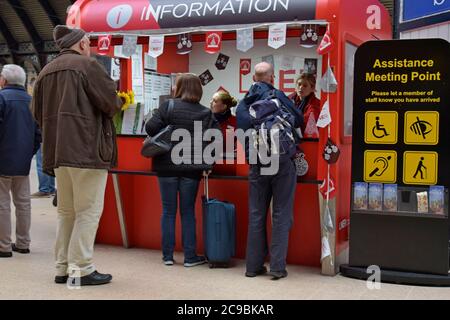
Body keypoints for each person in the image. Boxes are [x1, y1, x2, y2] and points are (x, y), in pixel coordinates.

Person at [32, 25, 122, 286]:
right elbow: (111, 103)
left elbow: (36, 113)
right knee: (88, 211)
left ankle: (62, 267)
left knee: (66, 211)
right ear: (82, 44)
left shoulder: (45, 72)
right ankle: (81, 268)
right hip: (87, 149)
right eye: (89, 43)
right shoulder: (87, 66)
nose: (91, 47)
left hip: (58, 150)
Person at [236, 62, 302, 280]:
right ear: (272, 78)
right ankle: (277, 267)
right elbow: (299, 119)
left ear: (254, 78)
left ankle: (253, 267)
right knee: (281, 213)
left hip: (257, 162)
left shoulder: (244, 104)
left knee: (256, 214)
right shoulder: (279, 96)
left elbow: (241, 132)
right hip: (282, 161)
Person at [145, 73, 219, 267]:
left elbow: (150, 128)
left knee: (168, 211)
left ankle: (168, 256)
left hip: (166, 167)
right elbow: (216, 139)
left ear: (178, 88)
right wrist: (208, 164)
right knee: (187, 212)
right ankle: (190, 257)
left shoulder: (167, 106)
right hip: (191, 169)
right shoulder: (206, 112)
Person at [0, 64, 41, 258]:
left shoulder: (1, 98)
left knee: (2, 204)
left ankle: (4, 246)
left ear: (4, 80)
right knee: (23, 203)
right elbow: (38, 134)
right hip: (23, 162)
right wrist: (28, 153)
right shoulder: (31, 101)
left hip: (2, 161)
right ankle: (23, 243)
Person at [210, 90, 237, 159]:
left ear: (224, 106)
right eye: (211, 100)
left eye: (214, 101)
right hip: (207, 165)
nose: (211, 102)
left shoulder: (236, 122)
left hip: (228, 164)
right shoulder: (206, 120)